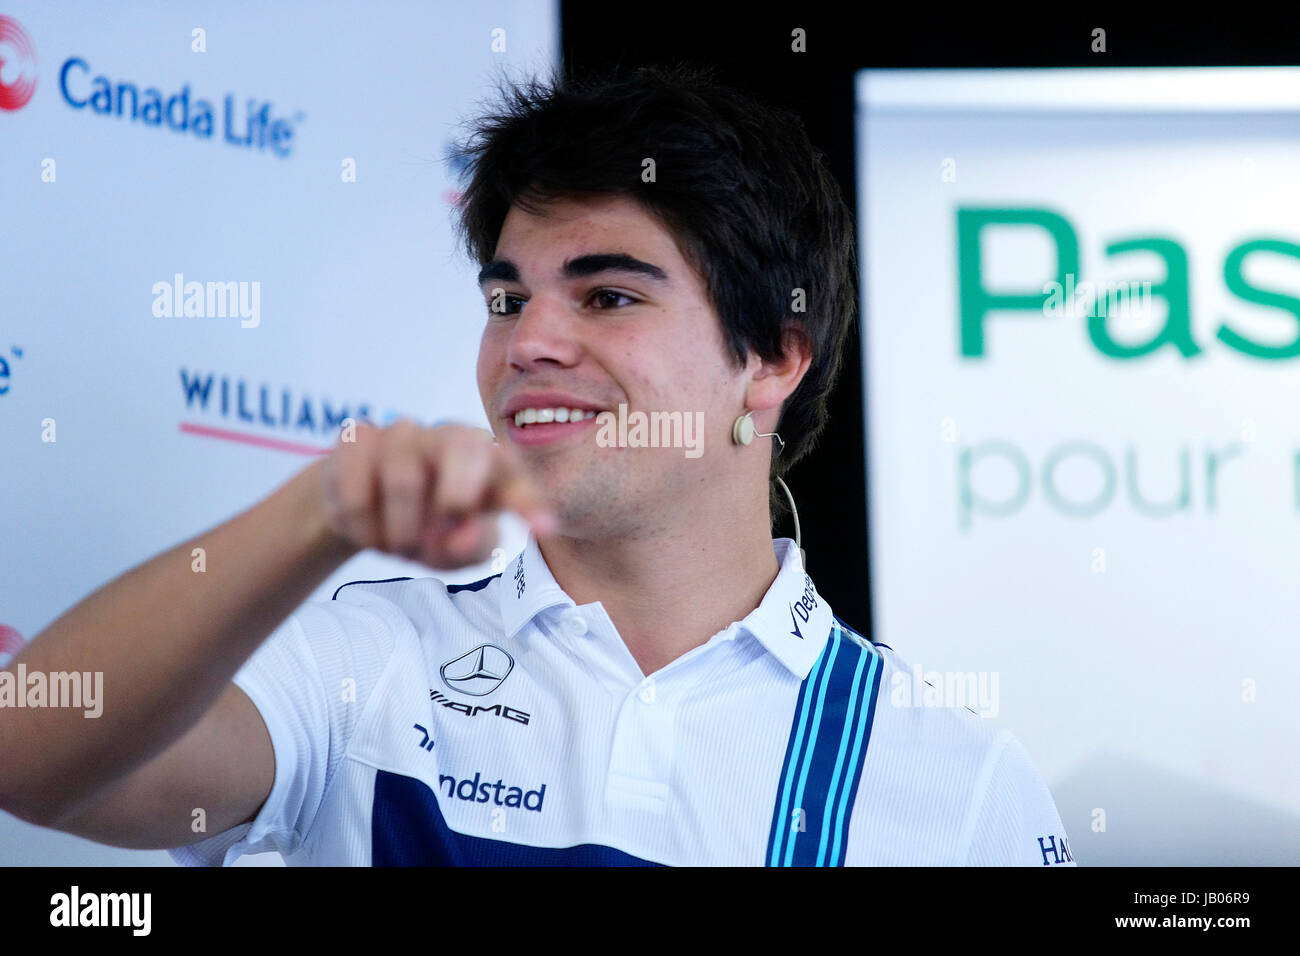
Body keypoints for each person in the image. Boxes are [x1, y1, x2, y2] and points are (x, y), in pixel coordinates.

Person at [0, 63, 1073, 866]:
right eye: (507, 298)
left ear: (771, 359)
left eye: (607, 295)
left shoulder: (958, 774)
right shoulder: (368, 657)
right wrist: (310, 512)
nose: (528, 343)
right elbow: (29, 754)